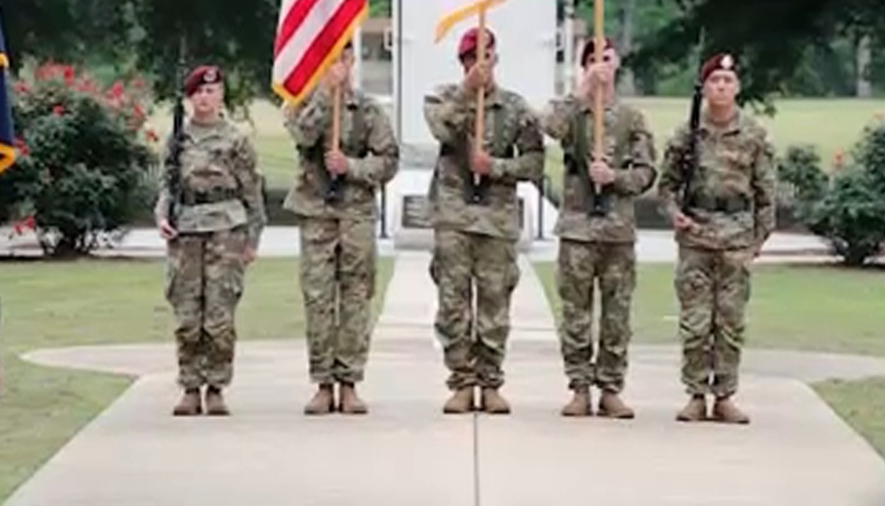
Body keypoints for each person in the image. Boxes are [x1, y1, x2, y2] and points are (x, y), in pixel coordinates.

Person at [422, 26, 545, 414]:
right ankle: (461, 380)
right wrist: (466, 92)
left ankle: (490, 381)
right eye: (472, 58)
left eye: (486, 57)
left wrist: (495, 166)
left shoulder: (515, 107)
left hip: (496, 216)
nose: (480, 65)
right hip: (454, 215)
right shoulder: (443, 97)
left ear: (496, 58)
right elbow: (441, 127)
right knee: (453, 302)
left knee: (495, 301)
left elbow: (535, 162)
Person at [655, 53, 778, 424]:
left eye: (728, 80)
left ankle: (724, 395)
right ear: (705, 88)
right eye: (714, 81)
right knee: (695, 323)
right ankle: (695, 393)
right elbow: (667, 185)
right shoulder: (687, 134)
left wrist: (759, 238)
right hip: (696, 236)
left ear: (737, 87)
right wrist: (673, 214)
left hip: (736, 236)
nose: (721, 86)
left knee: (730, 323)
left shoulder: (753, 135)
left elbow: (766, 190)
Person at [541, 36, 657, 419]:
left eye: (606, 59)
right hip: (577, 226)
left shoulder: (631, 119)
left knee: (616, 314)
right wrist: (583, 89)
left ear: (618, 62)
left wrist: (615, 177)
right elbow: (551, 127)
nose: (600, 66)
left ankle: (610, 387)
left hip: (617, 229)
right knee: (576, 313)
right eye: (592, 60)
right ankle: (578, 386)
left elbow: (646, 173)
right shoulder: (573, 112)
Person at [282, 43, 399, 416]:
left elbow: (388, 160)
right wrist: (324, 93)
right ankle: (322, 382)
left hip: (355, 214)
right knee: (318, 299)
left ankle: (349, 382)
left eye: (342, 59)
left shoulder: (368, 111)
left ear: (351, 61)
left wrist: (351, 166)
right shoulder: (302, 103)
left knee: (355, 298)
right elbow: (303, 136)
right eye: (329, 59)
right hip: (317, 212)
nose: (337, 66)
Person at [154, 65, 267, 417]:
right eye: (199, 93)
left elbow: (252, 191)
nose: (205, 98)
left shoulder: (236, 139)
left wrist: (252, 239)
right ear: (190, 98)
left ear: (221, 96)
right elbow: (166, 185)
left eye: (212, 91)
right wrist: (161, 216)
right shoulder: (178, 140)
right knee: (187, 315)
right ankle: (190, 386)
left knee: (219, 315)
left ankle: (216, 386)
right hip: (187, 229)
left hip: (225, 229)